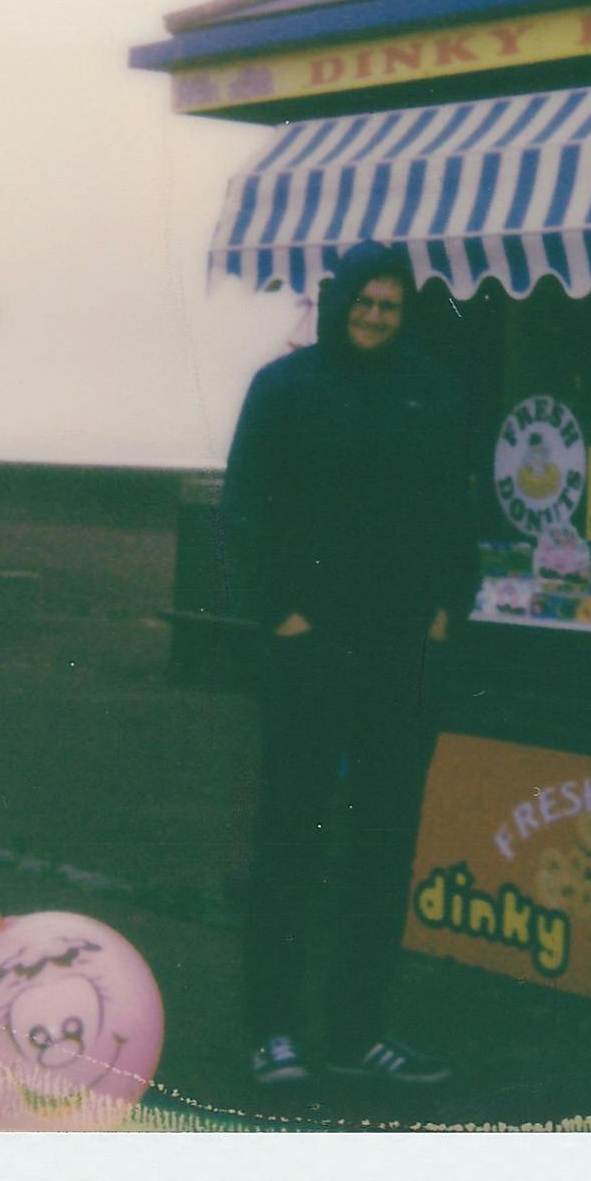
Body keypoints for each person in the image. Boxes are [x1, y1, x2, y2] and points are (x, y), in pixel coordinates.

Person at [219, 241, 476, 1092]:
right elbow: (245, 510)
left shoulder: (434, 389)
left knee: (382, 846)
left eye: (390, 306)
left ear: (407, 313)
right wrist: (283, 617)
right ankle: (273, 1029)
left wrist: (446, 609)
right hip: (310, 649)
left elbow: (456, 510)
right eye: (364, 303)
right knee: (291, 840)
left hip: (404, 652)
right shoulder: (284, 388)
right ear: (338, 305)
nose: (374, 317)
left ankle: (358, 1031)